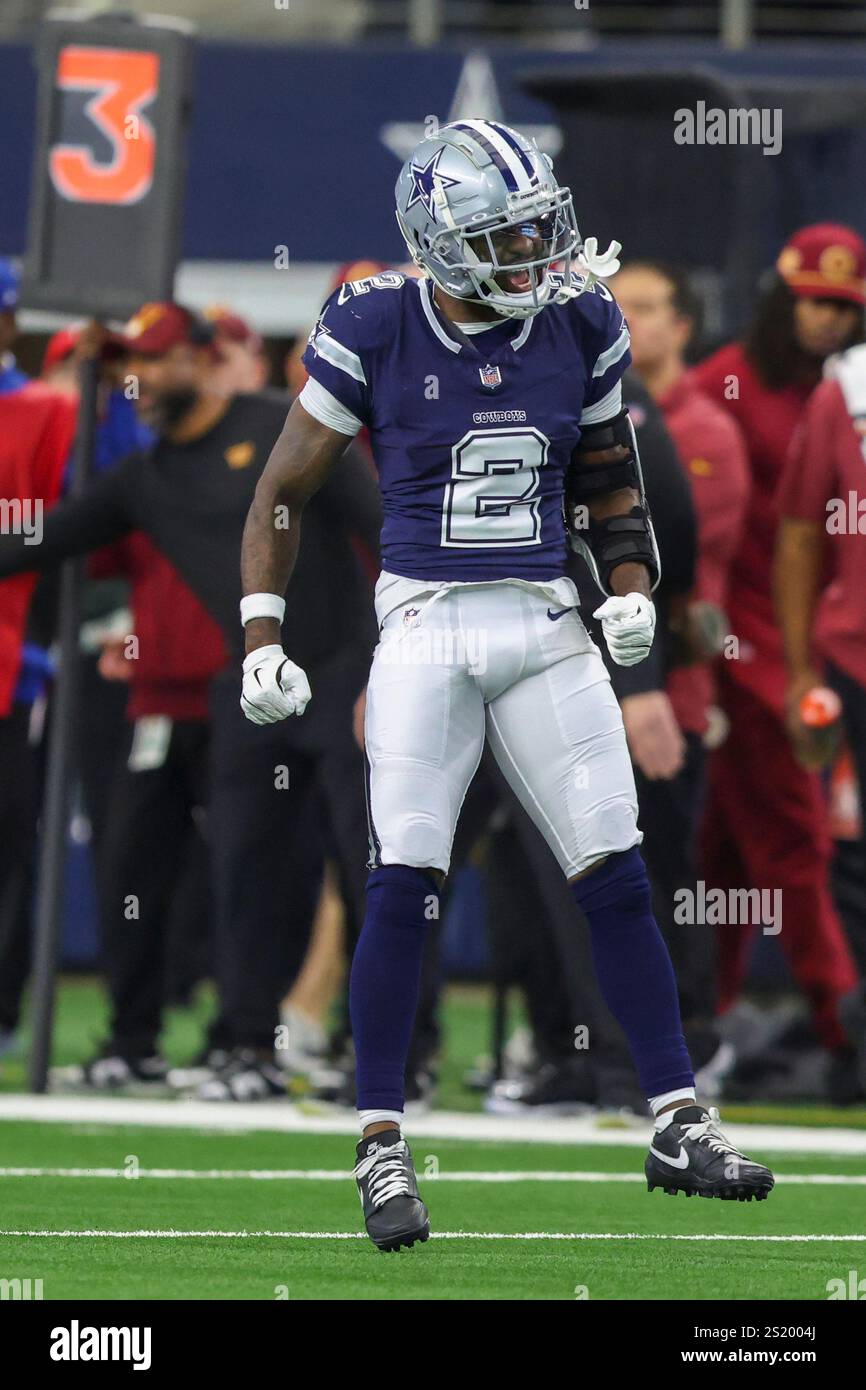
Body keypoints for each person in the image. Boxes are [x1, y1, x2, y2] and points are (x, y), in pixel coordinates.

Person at [238, 120, 774, 1251]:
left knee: (615, 871)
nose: (536, 250)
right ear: (439, 240)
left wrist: (627, 581)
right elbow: (283, 487)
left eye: (539, 225)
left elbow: (606, 477)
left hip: (540, 619)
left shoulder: (578, 318)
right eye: (506, 233)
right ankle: (380, 1139)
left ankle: (674, 1115)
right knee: (403, 880)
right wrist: (261, 633)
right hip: (425, 623)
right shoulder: (376, 320)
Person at [0, 300, 381, 1098]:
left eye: (156, 359)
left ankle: (388, 1054)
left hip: (350, 669)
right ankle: (248, 1050)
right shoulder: (145, 476)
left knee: (368, 865)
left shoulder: (284, 424)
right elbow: (50, 536)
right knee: (244, 867)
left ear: (205, 360)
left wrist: (401, 658)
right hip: (253, 682)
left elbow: (387, 530)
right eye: (124, 365)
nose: (135, 379)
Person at [692, 225, 865, 1096]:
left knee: (727, 853)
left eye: (842, 307)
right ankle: (845, 1022)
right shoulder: (718, 386)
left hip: (814, 646)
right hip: (747, 651)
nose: (827, 320)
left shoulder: (848, 395)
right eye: (811, 300)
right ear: (779, 299)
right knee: (792, 843)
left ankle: (707, 1024)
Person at [611, 260, 751, 1087]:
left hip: (672, 683)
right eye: (618, 305)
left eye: (648, 307)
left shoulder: (702, 431)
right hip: (593, 680)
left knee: (662, 868)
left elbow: (686, 575)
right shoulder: (591, 411)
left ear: (682, 326)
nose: (631, 320)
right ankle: (587, 1044)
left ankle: (693, 1037)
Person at [775, 338, 866, 1085]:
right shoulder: (849, 385)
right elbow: (804, 531)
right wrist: (802, 670)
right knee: (855, 864)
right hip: (857, 659)